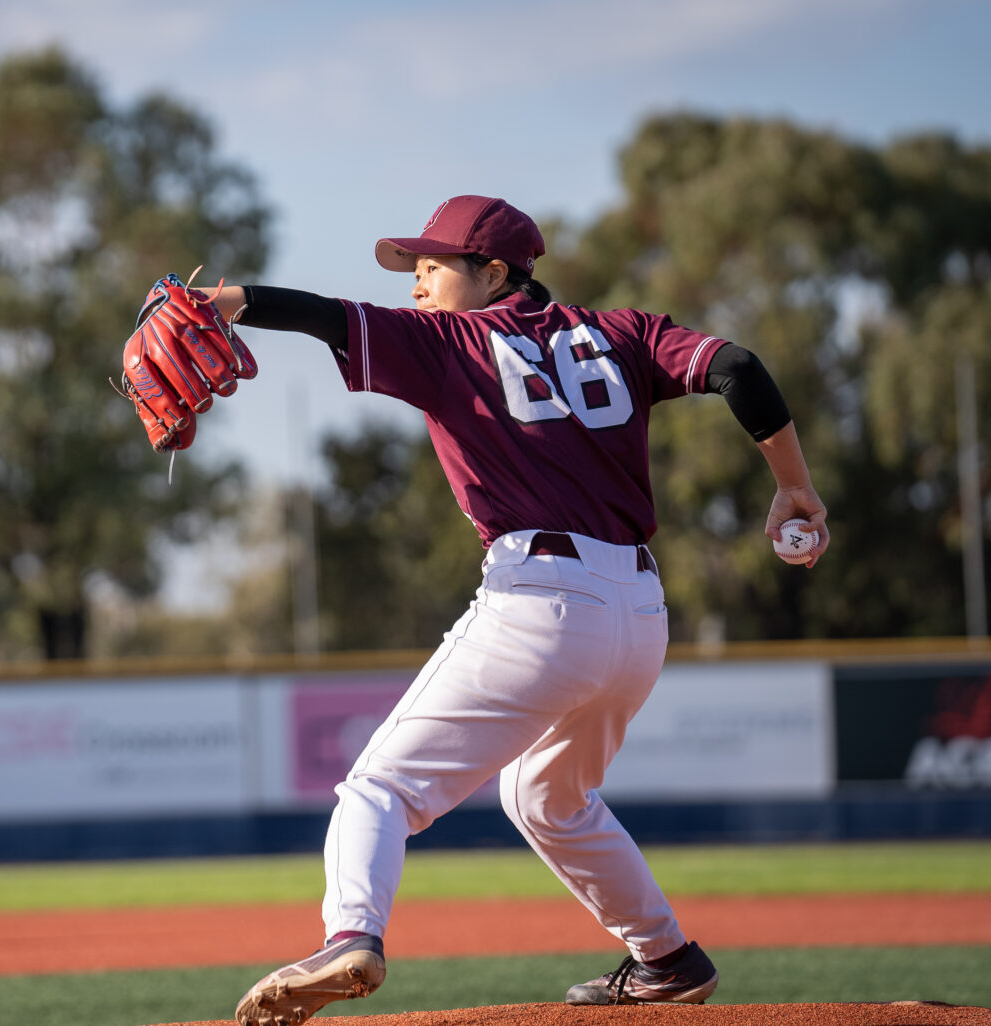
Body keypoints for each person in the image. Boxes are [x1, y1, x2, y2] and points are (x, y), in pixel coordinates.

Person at [207, 195, 829, 1024]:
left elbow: (327, 318)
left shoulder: (447, 342)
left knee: (378, 787)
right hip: (640, 615)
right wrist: (794, 487)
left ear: (493, 272)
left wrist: (234, 301)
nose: (418, 285)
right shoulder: (626, 331)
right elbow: (739, 369)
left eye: (433, 266)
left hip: (541, 600)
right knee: (547, 798)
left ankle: (350, 935)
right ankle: (668, 960)